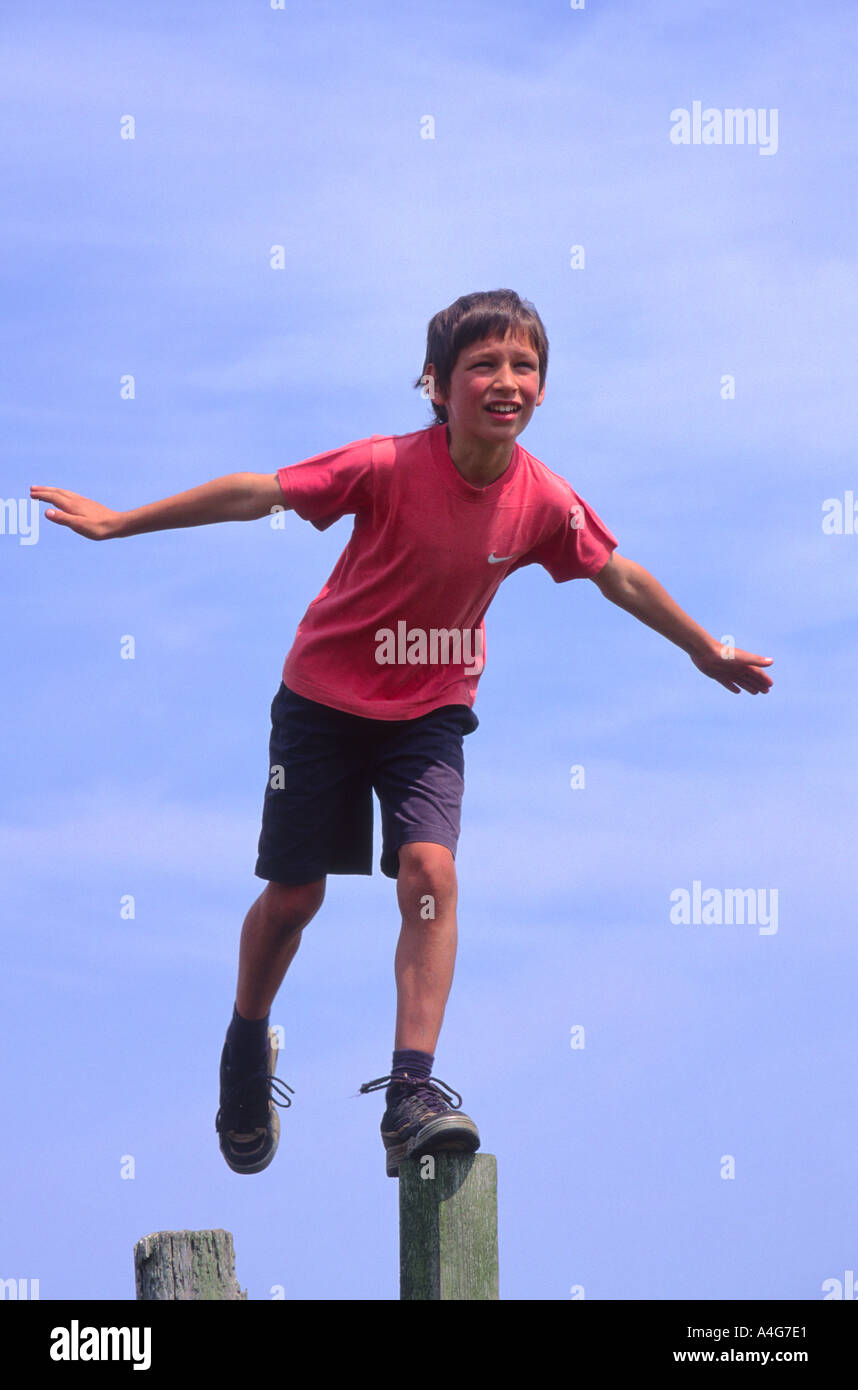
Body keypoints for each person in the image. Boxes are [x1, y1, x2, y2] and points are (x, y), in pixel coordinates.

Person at [29, 289, 774, 1179]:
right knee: (296, 899)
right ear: (437, 384)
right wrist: (120, 520)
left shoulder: (543, 499)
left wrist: (704, 647)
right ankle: (244, 1046)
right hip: (322, 702)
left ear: (544, 388)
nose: (506, 382)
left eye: (524, 366)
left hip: (429, 714)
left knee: (431, 872)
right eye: (483, 365)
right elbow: (258, 491)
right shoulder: (385, 465)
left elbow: (620, 576)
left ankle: (410, 1095)